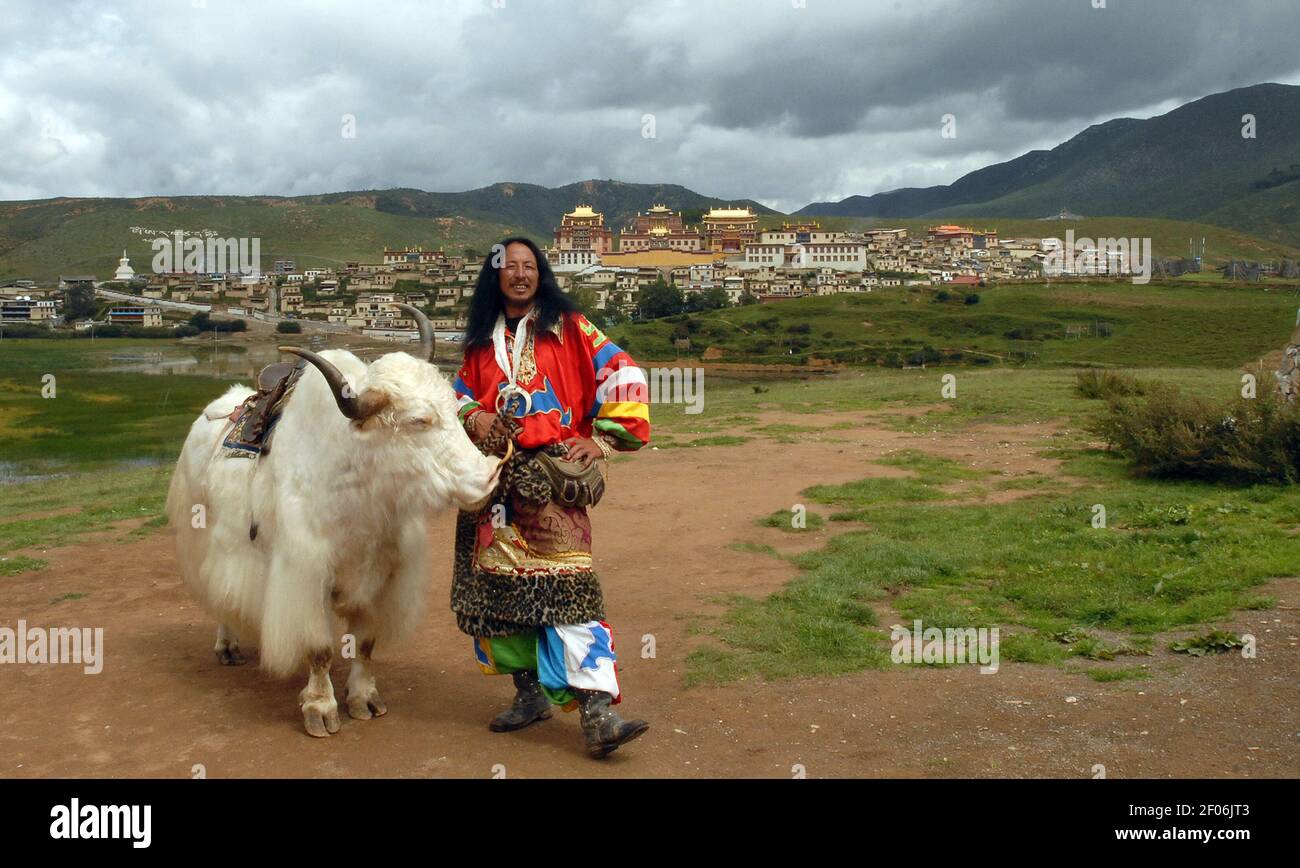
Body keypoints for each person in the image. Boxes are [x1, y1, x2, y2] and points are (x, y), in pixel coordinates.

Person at [450, 236, 651, 758]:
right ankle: (528, 694)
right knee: (500, 596)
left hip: (551, 482)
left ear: (542, 274)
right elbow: (453, 396)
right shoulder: (479, 344)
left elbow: (624, 372)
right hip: (496, 487)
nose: (520, 274)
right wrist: (477, 415)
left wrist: (601, 439)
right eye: (509, 267)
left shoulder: (573, 328)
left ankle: (598, 712)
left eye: (529, 266)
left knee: (571, 588)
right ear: (495, 277)